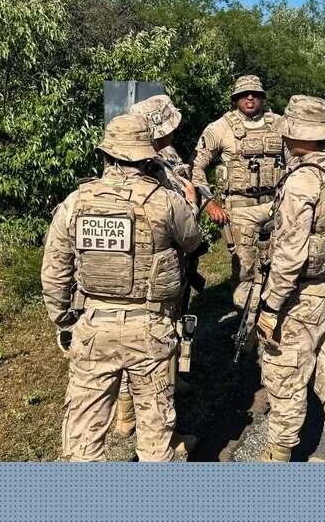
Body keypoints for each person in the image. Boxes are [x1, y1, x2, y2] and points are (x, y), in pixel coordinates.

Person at [40, 113, 203, 462]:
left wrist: (64, 321)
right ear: (147, 157)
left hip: (93, 325)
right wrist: (192, 202)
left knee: (84, 432)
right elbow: (192, 241)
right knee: (155, 429)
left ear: (105, 154)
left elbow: (55, 272)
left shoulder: (76, 202)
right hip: (151, 327)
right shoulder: (165, 201)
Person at [253, 95, 325, 462]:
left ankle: (277, 455)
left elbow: (289, 254)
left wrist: (271, 304)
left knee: (284, 373)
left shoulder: (303, 180)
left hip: (302, 293)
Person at [106, 94, 198, 449]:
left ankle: (127, 413)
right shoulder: (149, 166)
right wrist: (191, 200)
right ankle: (160, 434)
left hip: (152, 267)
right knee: (156, 348)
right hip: (155, 269)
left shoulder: (138, 159)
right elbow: (179, 220)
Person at [190, 75, 284, 310]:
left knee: (279, 265)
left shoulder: (281, 124)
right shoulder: (220, 128)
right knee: (245, 270)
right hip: (239, 210)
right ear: (235, 99)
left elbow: (297, 162)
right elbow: (196, 166)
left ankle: (270, 318)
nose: (250, 97)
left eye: (254, 93)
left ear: (262, 97)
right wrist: (209, 202)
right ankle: (247, 324)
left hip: (276, 206)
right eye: (244, 94)